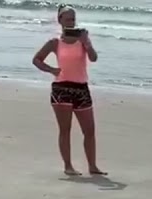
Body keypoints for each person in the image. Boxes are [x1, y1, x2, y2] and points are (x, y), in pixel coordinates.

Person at [31, 6, 104, 176]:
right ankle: (68, 166)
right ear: (60, 20)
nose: (71, 22)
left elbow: (93, 58)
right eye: (68, 19)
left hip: (81, 88)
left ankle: (92, 166)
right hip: (61, 88)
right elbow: (36, 59)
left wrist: (87, 42)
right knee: (65, 129)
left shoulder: (82, 39)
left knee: (89, 130)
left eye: (73, 19)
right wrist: (51, 70)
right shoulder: (55, 42)